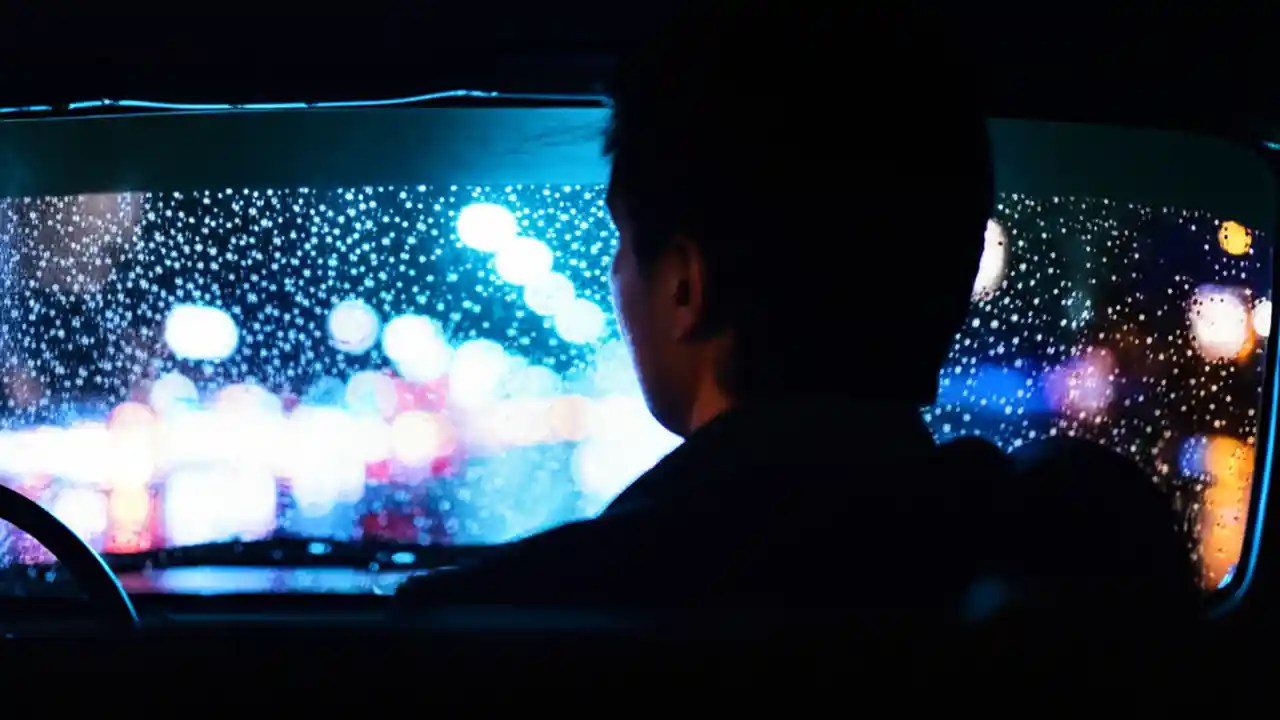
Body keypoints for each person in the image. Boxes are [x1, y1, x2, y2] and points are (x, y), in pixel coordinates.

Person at [395, 2, 999, 613]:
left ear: (685, 284)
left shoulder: (504, 613)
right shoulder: (1031, 564)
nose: (615, 273)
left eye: (620, 242)